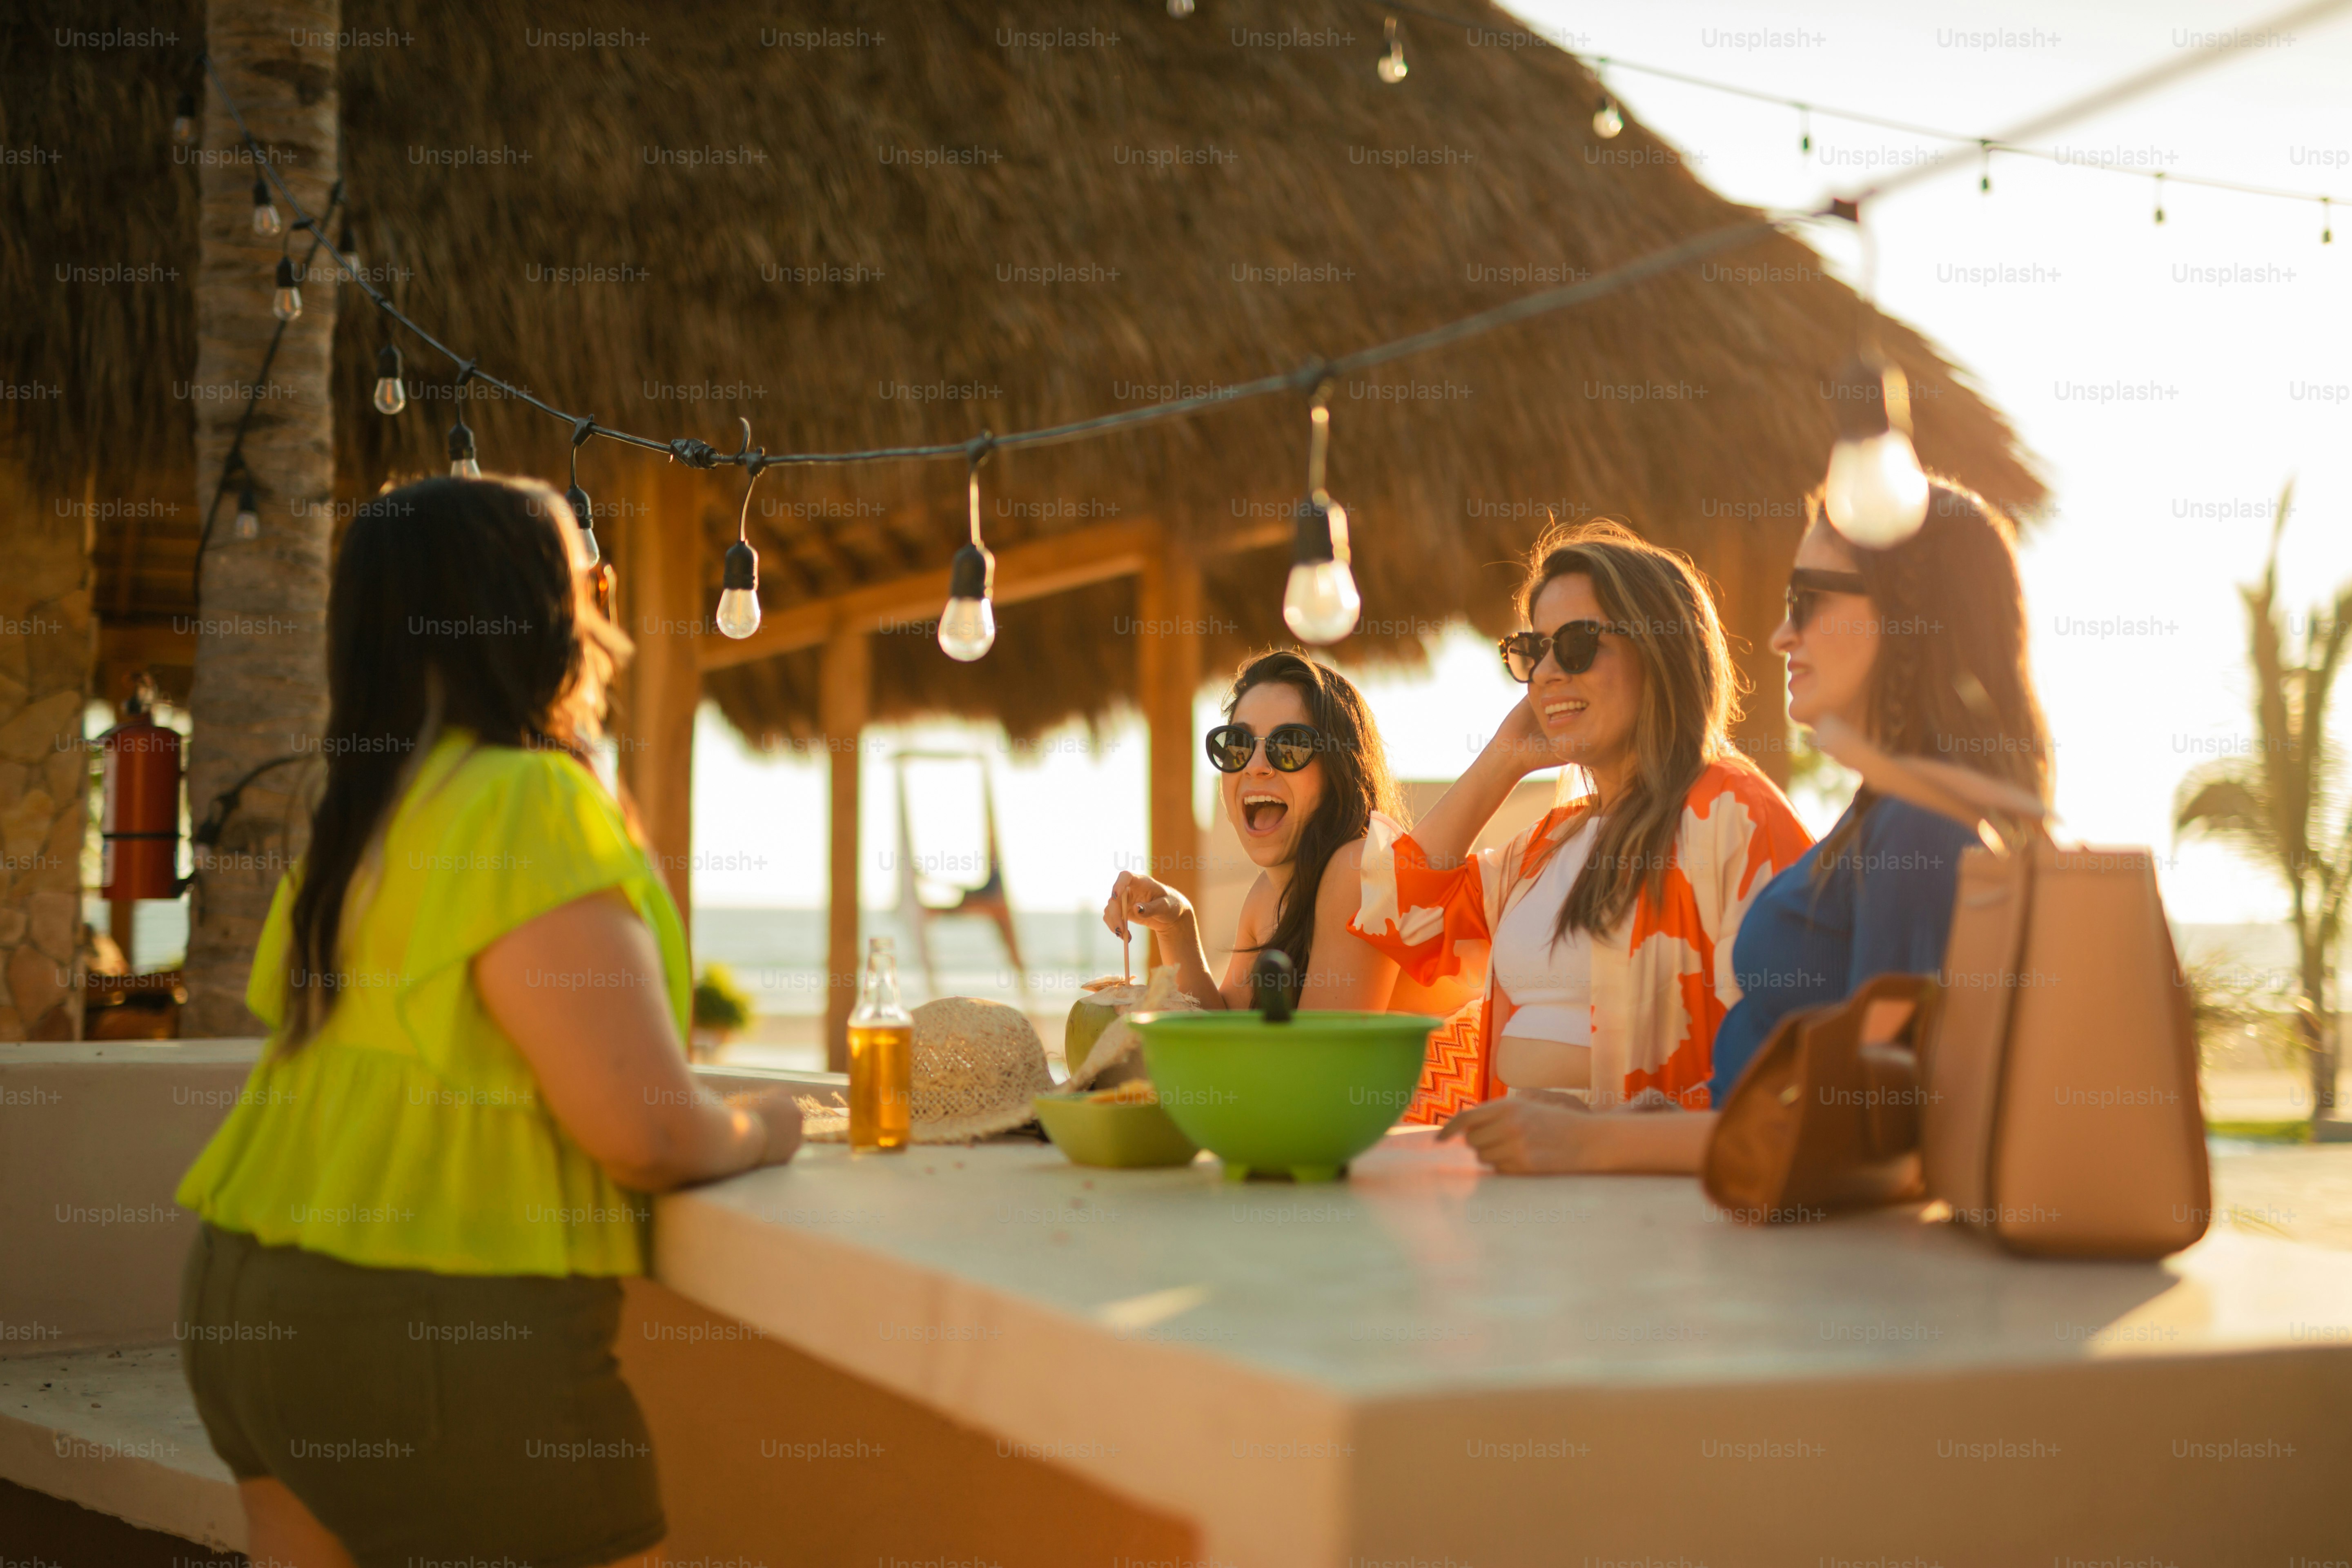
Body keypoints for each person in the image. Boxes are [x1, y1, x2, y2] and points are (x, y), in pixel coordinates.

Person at [175, 476, 803, 1568]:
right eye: (585, 580)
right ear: (534, 613)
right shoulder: (528, 801)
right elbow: (645, 1132)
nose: (601, 611)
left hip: (248, 1298)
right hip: (430, 1327)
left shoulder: (364, 815)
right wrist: (767, 1127)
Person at [1350, 519, 1811, 1173]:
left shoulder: (1733, 812)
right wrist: (1502, 762)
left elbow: (1790, 1059)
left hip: (1649, 1204)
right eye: (1530, 651)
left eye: (1575, 644)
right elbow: (1401, 916)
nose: (1544, 673)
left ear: (1662, 649)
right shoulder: (1551, 841)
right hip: (1521, 1193)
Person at [1709, 483, 2051, 1090]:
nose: (1781, 636)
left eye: (1807, 599)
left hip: (1787, 1183)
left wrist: (1604, 1142)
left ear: (1907, 615)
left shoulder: (1920, 825)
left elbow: (1872, 1115)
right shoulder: (1889, 814)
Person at [1105, 650, 1403, 1011]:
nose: (1256, 766)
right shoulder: (1267, 898)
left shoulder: (1360, 868)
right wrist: (1177, 926)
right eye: (1238, 746)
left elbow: (1321, 1064)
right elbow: (1223, 1042)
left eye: (1290, 746)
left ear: (1339, 772)